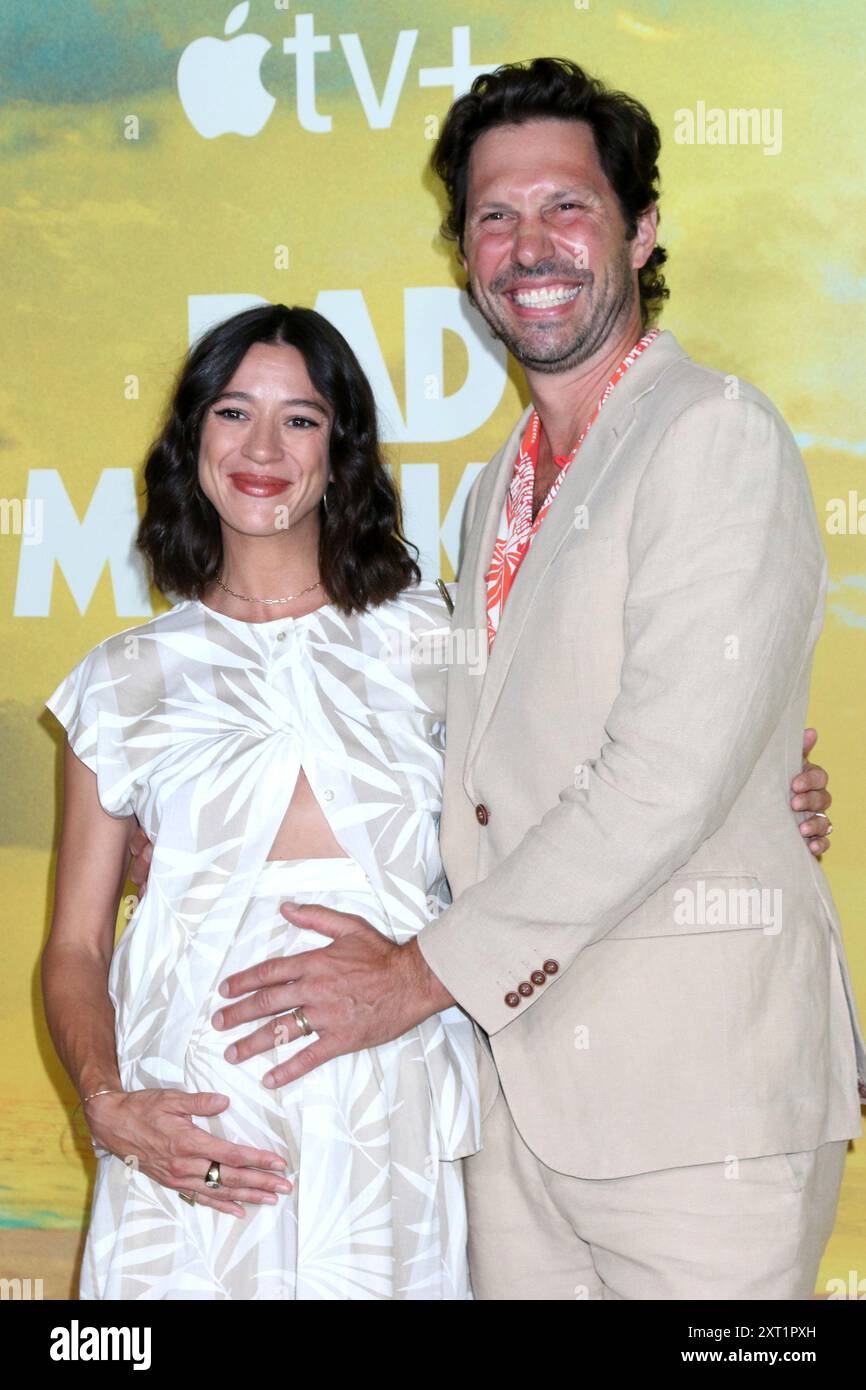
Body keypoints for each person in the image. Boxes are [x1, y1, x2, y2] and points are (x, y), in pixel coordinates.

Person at [174, 59, 865, 1301]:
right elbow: (471, 747)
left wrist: (411, 978)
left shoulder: (711, 432)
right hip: (509, 1115)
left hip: (696, 1115)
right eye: (494, 215)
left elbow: (661, 776)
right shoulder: (497, 492)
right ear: (463, 253)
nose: (526, 244)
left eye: (565, 207)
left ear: (639, 229)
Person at [42, 303, 481, 1300]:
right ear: (191, 436)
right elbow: (74, 947)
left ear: (342, 451)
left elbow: (591, 792)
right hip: (185, 1133)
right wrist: (107, 1106)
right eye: (234, 411)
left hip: (385, 1118)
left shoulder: (442, 639)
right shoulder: (123, 679)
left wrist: (769, 798)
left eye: (301, 418)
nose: (262, 448)